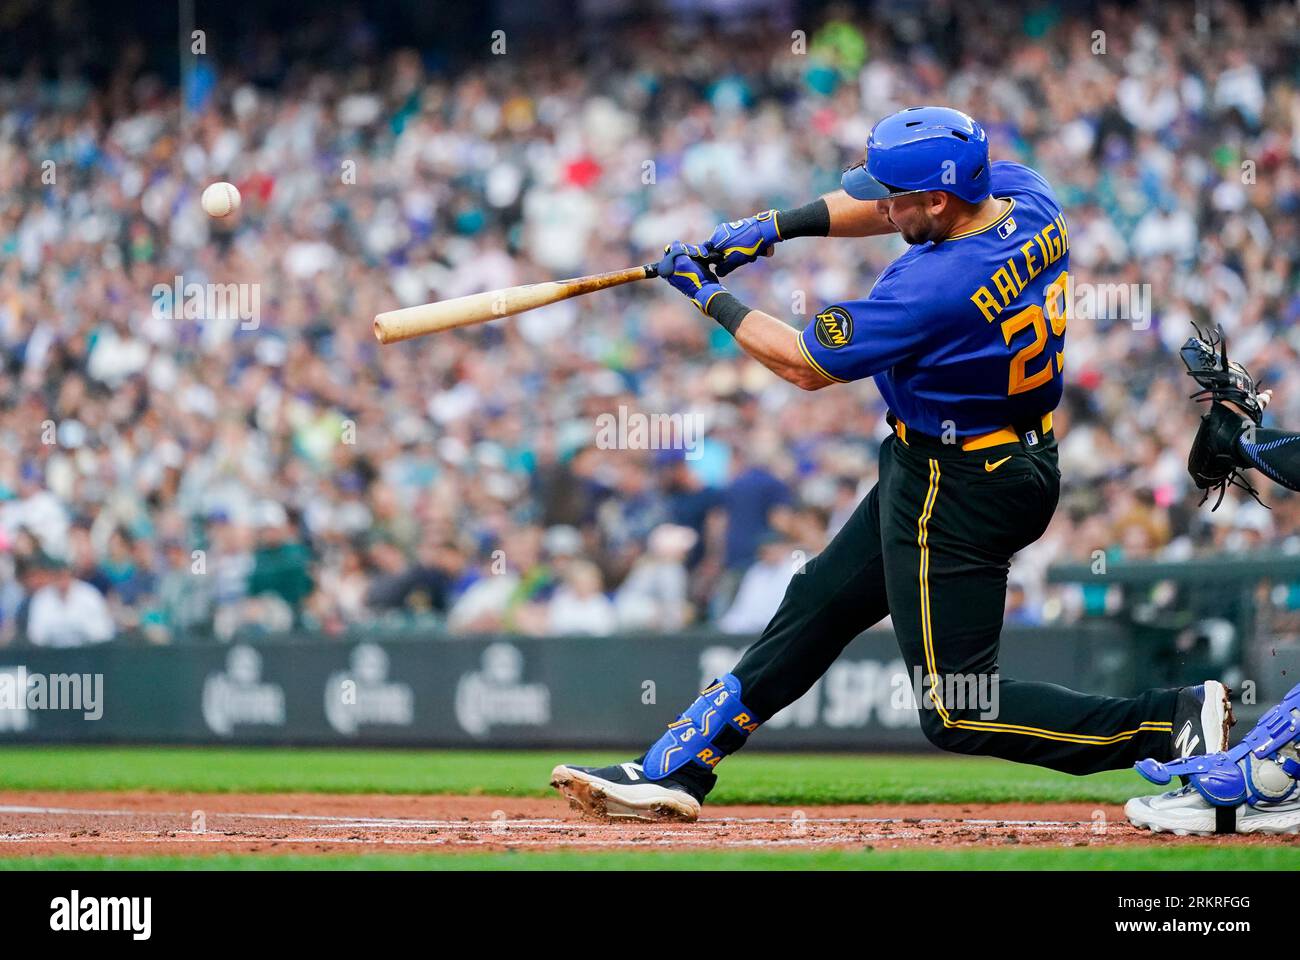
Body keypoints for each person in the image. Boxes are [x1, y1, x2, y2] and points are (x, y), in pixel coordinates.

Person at [551, 106, 1235, 822]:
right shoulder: (1027, 197)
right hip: (978, 457)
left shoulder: (932, 289)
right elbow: (884, 213)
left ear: (938, 200)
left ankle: (1170, 720)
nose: (881, 206)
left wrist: (707, 293)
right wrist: (774, 228)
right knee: (820, 600)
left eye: (896, 196)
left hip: (961, 482)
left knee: (958, 710)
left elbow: (805, 363)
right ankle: (679, 766)